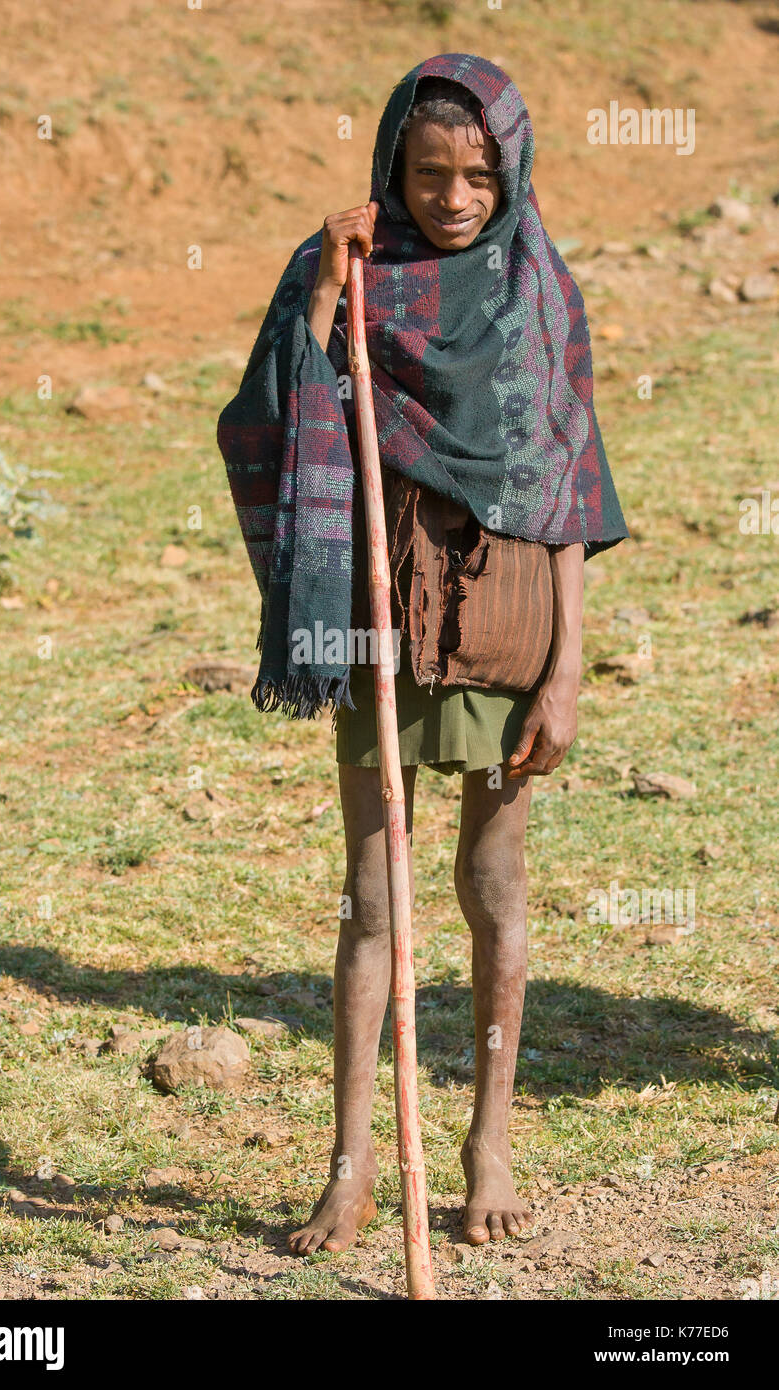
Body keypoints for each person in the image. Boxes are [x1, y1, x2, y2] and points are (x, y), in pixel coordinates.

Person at [217, 54, 628, 1255]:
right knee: (370, 901)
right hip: (377, 619)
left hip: (506, 615)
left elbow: (562, 487)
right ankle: (351, 1161)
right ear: (392, 164)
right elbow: (266, 412)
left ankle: (486, 1137)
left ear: (512, 170)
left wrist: (563, 673)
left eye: (477, 176)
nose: (454, 197)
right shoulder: (345, 272)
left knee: (491, 887)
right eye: (429, 173)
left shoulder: (537, 288)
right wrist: (322, 294)